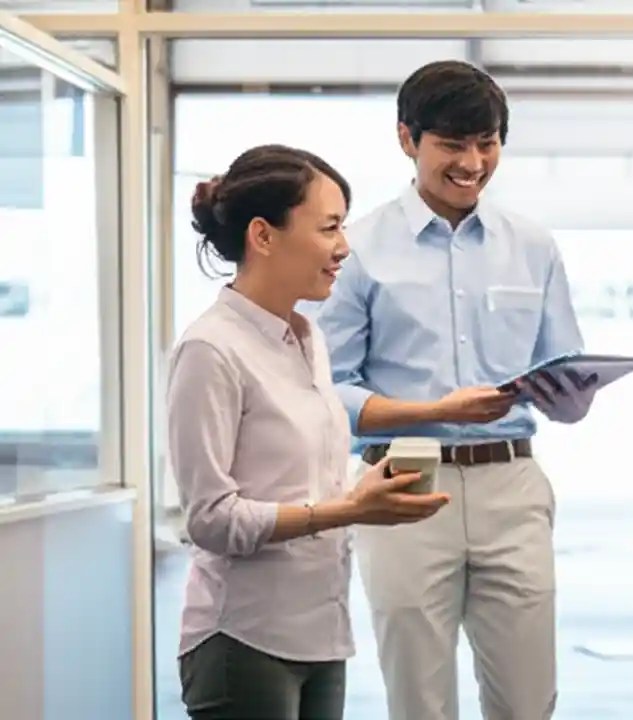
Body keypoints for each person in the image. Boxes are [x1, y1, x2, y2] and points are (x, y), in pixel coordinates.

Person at [313, 60, 594, 720]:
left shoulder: (532, 245)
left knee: (529, 701)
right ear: (408, 139)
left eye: (487, 142)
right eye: (453, 144)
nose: (473, 162)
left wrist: (573, 390)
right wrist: (433, 411)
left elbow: (568, 378)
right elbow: (328, 391)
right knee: (419, 699)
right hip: (401, 480)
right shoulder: (357, 249)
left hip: (512, 483)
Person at [167, 143, 452, 720]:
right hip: (244, 638)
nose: (344, 247)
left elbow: (298, 476)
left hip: (321, 634)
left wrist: (366, 486)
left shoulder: (307, 337)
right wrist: (346, 511)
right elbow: (209, 519)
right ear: (263, 236)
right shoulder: (210, 349)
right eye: (328, 228)